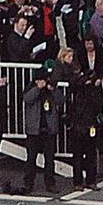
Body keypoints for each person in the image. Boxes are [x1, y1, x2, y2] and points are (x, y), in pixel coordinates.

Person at [21, 64, 63, 194]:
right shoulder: (31, 88)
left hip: (49, 129)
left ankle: (50, 183)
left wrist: (53, 89)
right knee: (31, 158)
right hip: (34, 130)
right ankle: (28, 183)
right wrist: (37, 88)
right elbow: (27, 99)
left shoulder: (51, 90)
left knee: (49, 158)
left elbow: (61, 100)